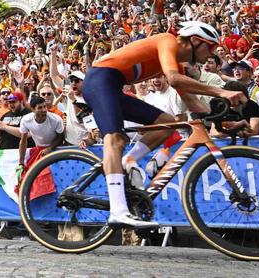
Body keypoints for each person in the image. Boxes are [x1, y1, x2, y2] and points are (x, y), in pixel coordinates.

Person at [82, 21, 245, 227]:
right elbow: (173, 80)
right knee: (115, 139)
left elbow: (192, 103)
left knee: (169, 124)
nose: (212, 53)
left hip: (112, 85)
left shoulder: (177, 66)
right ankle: (118, 211)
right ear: (195, 41)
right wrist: (223, 92)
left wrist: (224, 120)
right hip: (100, 79)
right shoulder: (168, 40)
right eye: (210, 47)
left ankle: (127, 161)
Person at [18, 95, 65, 168]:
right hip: (39, 151)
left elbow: (61, 137)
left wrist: (49, 148)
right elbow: (23, 141)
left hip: (56, 149)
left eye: (44, 106)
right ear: (33, 109)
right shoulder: (25, 120)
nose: (44, 110)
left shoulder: (56, 120)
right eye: (40, 108)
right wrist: (21, 163)